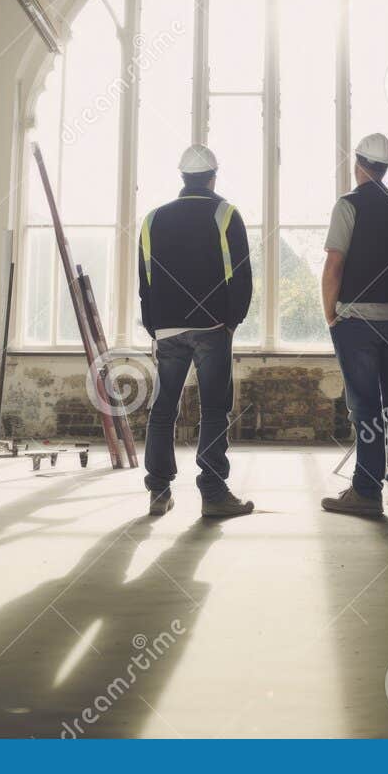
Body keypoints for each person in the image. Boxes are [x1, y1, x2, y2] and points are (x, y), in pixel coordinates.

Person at [136, 144, 255, 519]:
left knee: (162, 408)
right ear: (213, 176)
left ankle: (158, 491)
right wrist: (232, 321)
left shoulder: (153, 219)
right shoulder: (226, 214)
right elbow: (242, 276)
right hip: (211, 327)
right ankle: (214, 493)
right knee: (214, 409)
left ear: (182, 177)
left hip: (168, 328)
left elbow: (145, 281)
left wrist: (155, 326)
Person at [320, 133, 388, 517]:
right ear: (386, 168)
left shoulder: (348, 206)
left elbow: (334, 265)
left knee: (365, 408)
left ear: (358, 164)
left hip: (356, 321)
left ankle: (366, 490)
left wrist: (330, 314)